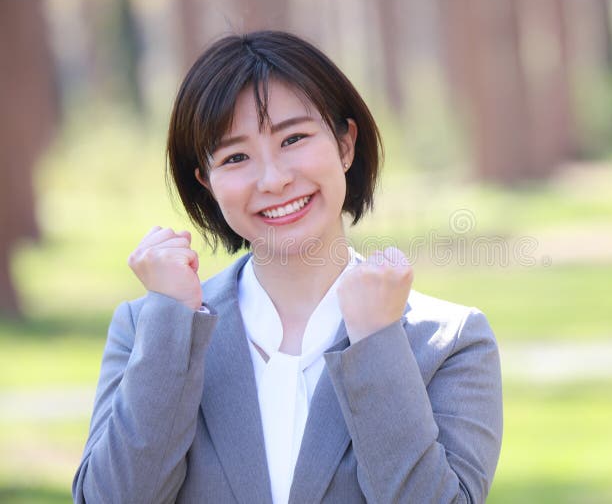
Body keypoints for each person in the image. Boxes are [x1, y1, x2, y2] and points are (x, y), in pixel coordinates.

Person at [73, 31, 502, 504]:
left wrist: (377, 342)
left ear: (345, 143)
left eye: (293, 138)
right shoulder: (147, 330)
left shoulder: (450, 342)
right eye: (236, 157)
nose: (273, 179)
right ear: (207, 182)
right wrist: (173, 322)